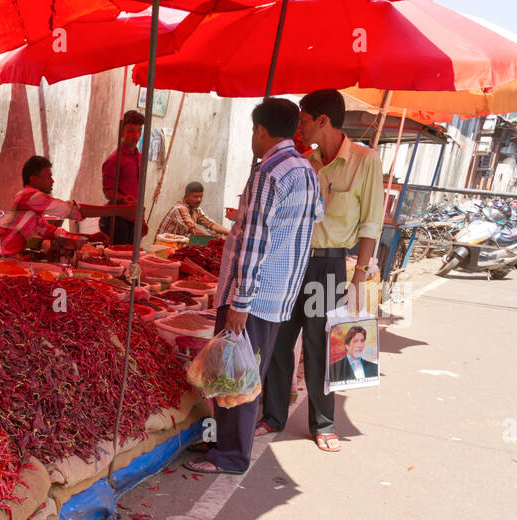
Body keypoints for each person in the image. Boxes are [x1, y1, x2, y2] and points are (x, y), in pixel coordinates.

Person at [185, 99, 323, 476]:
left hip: (254, 295)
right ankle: (223, 442)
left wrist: (240, 302)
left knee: (236, 376)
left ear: (261, 130)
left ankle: (230, 456)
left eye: (252, 130)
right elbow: (316, 219)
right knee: (243, 372)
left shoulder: (269, 172)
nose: (252, 137)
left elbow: (254, 242)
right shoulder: (306, 170)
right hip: (279, 294)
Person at [259, 88, 384, 453]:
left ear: (322, 121)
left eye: (304, 120)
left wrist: (359, 277)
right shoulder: (306, 161)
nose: (300, 128)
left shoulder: (366, 161)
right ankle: (273, 415)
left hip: (329, 265)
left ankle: (324, 423)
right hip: (291, 261)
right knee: (280, 339)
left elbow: (371, 224)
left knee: (320, 344)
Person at [0, 155, 135, 257]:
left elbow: (56, 233)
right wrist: (118, 210)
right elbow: (72, 210)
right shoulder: (28, 196)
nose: (52, 181)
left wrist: (89, 237)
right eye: (48, 177)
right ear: (33, 179)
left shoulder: (34, 214)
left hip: (1, 257)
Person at [101, 110, 146, 245]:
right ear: (122, 132)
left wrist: (141, 220)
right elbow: (108, 192)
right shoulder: (114, 160)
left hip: (134, 218)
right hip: (117, 219)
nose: (136, 136)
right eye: (131, 131)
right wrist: (123, 199)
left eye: (139, 130)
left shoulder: (140, 157)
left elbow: (138, 191)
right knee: (117, 259)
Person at [157, 181, 230, 238]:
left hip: (177, 245)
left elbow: (211, 224)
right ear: (186, 196)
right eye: (196, 196)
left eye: (201, 196)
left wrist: (231, 234)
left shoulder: (195, 209)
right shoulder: (179, 209)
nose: (199, 200)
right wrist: (214, 239)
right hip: (164, 247)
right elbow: (193, 230)